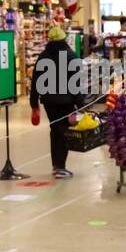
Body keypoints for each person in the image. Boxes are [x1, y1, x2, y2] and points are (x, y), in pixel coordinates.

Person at [29, 24, 82, 179]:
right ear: (64, 39)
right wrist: (81, 104)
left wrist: (34, 104)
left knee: (55, 130)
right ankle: (60, 167)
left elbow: (35, 82)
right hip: (66, 102)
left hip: (49, 102)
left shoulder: (43, 56)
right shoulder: (71, 56)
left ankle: (56, 165)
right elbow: (76, 84)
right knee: (63, 132)